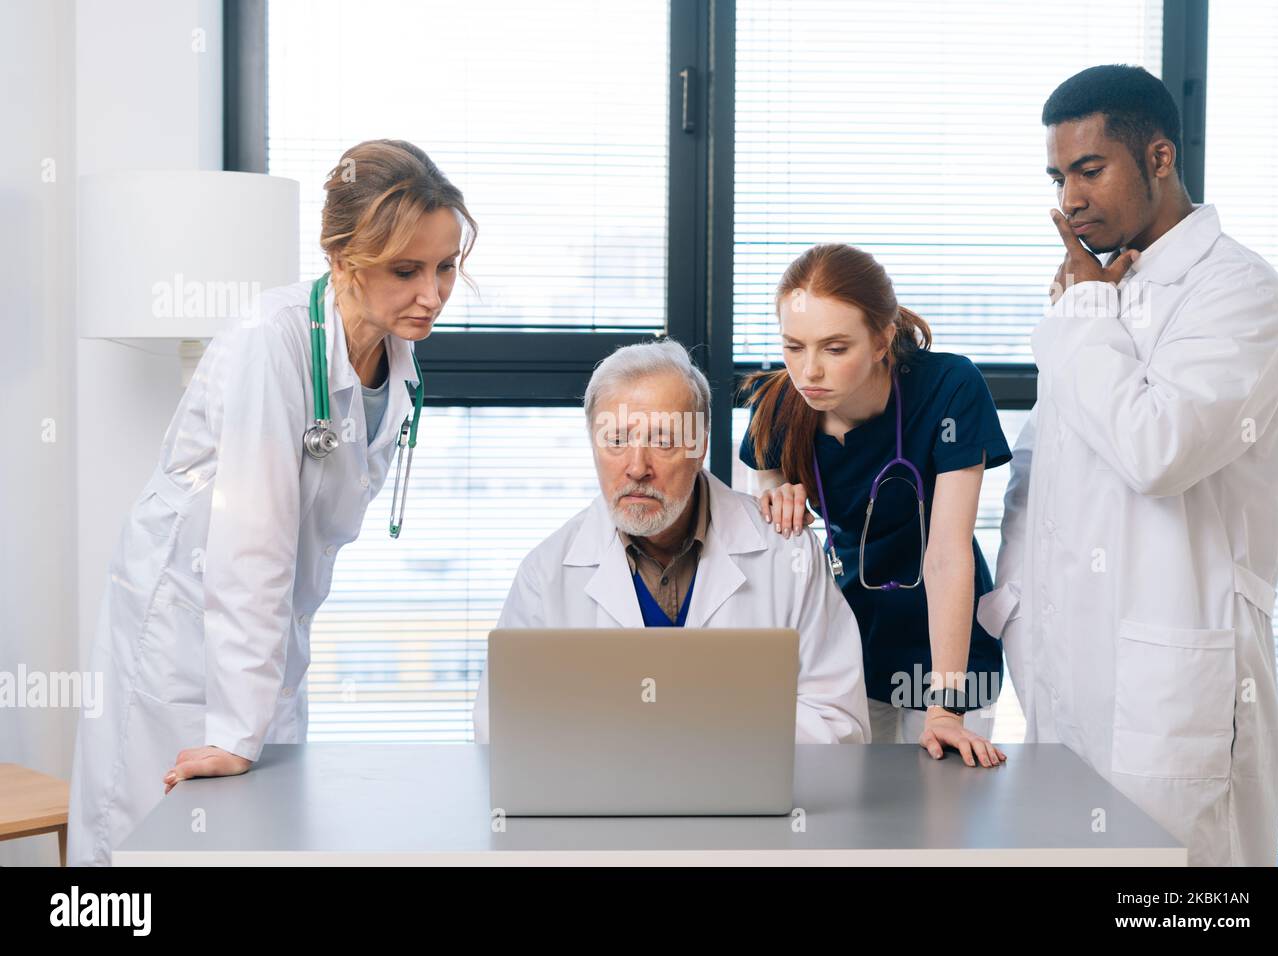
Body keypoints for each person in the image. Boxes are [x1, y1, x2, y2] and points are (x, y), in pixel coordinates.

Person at [67, 139, 478, 866]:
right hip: (185, 626)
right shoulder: (271, 341)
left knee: (258, 835)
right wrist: (231, 729)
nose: (433, 293)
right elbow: (250, 542)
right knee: (154, 844)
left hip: (268, 632)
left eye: (446, 266)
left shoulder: (393, 353)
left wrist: (248, 713)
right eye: (406, 270)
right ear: (343, 259)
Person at [981, 65, 1278, 866]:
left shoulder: (1241, 291)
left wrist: (1086, 314)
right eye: (1059, 177)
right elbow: (1039, 478)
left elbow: (1158, 450)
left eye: (1091, 170)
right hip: (1066, 687)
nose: (1071, 199)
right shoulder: (1096, 291)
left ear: (1159, 157)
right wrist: (1019, 614)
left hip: (1174, 687)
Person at [472, 339, 870, 744]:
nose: (637, 468)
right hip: (601, 806)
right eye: (616, 441)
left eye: (662, 441)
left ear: (700, 448)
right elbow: (500, 729)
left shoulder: (788, 553)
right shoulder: (547, 573)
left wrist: (699, 737)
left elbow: (839, 724)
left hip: (746, 805)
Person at [740, 243, 1011, 768]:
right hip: (849, 638)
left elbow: (947, 554)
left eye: (835, 348)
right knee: (855, 825)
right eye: (793, 346)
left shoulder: (949, 388)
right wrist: (776, 495)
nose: (809, 372)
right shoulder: (775, 407)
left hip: (950, 641)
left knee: (939, 821)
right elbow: (767, 498)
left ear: (883, 337)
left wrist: (946, 706)